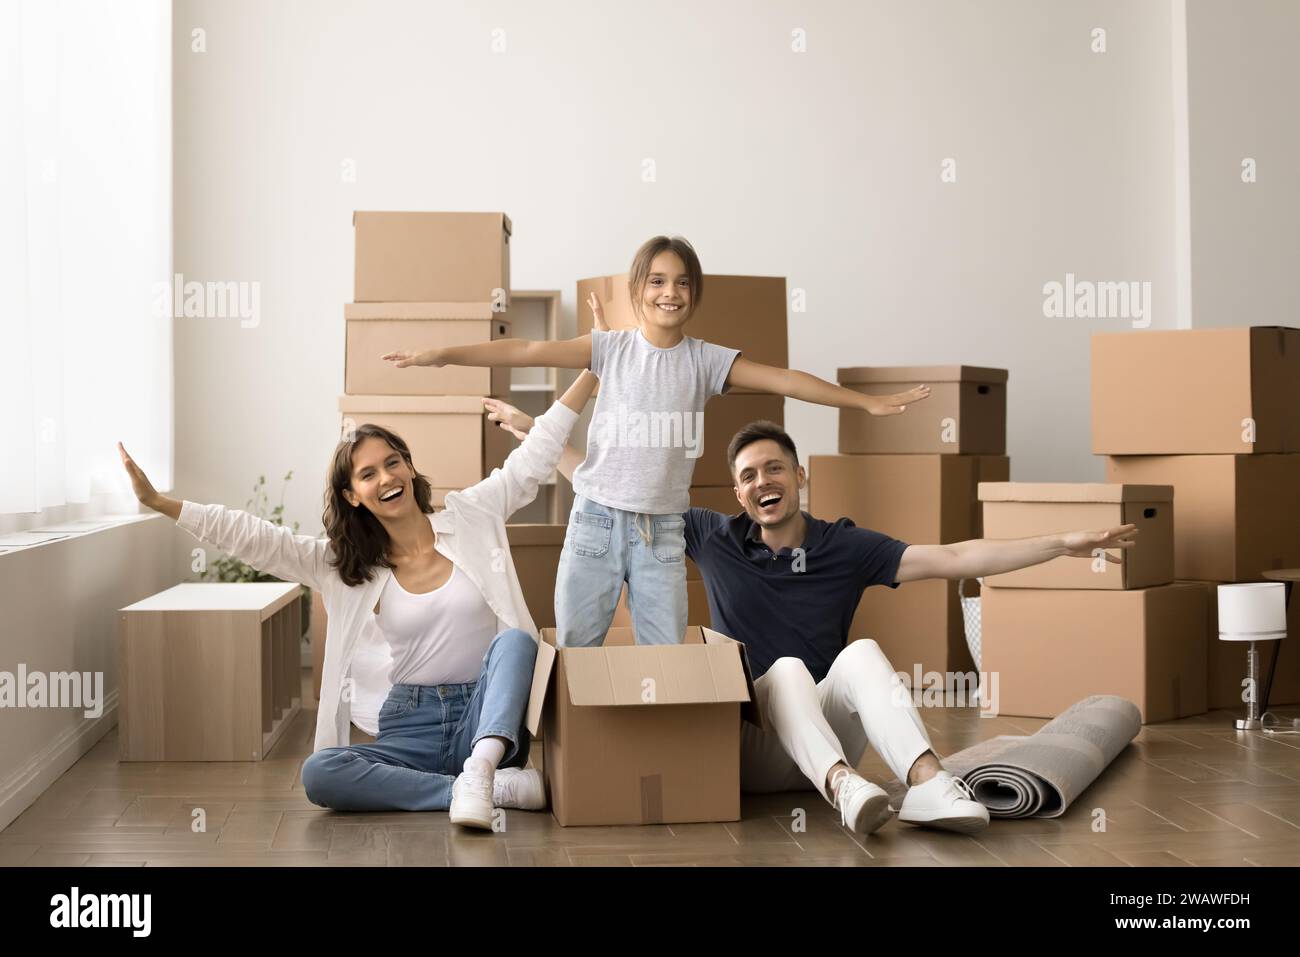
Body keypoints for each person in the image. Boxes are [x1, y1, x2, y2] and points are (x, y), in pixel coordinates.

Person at [488, 408, 1138, 837]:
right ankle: (844, 789)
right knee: (787, 669)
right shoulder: (713, 536)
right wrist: (540, 435)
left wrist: (1063, 541)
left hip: (827, 735)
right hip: (743, 745)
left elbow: (959, 556)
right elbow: (613, 490)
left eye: (774, 467)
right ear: (738, 493)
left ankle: (928, 783)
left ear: (800, 476)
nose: (762, 481)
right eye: (747, 476)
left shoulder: (846, 546)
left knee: (859, 655)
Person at [382, 235, 931, 649]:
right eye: (658, 281)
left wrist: (866, 402)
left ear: (694, 293)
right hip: (595, 521)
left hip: (661, 534)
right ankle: (573, 770)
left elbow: (786, 380)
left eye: (683, 283)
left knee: (665, 663)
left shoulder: (707, 360)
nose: (671, 292)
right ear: (638, 289)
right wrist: (441, 354)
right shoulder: (611, 349)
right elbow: (525, 350)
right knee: (576, 655)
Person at [118, 370, 599, 830]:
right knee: (320, 774)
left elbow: (535, 455)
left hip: (484, 715)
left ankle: (484, 766)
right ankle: (478, 790)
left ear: (409, 467)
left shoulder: (472, 515)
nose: (387, 477)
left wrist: (592, 372)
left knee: (517, 642)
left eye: (393, 462)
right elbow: (258, 539)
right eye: (368, 474)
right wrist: (163, 504)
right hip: (412, 725)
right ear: (351, 495)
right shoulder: (344, 566)